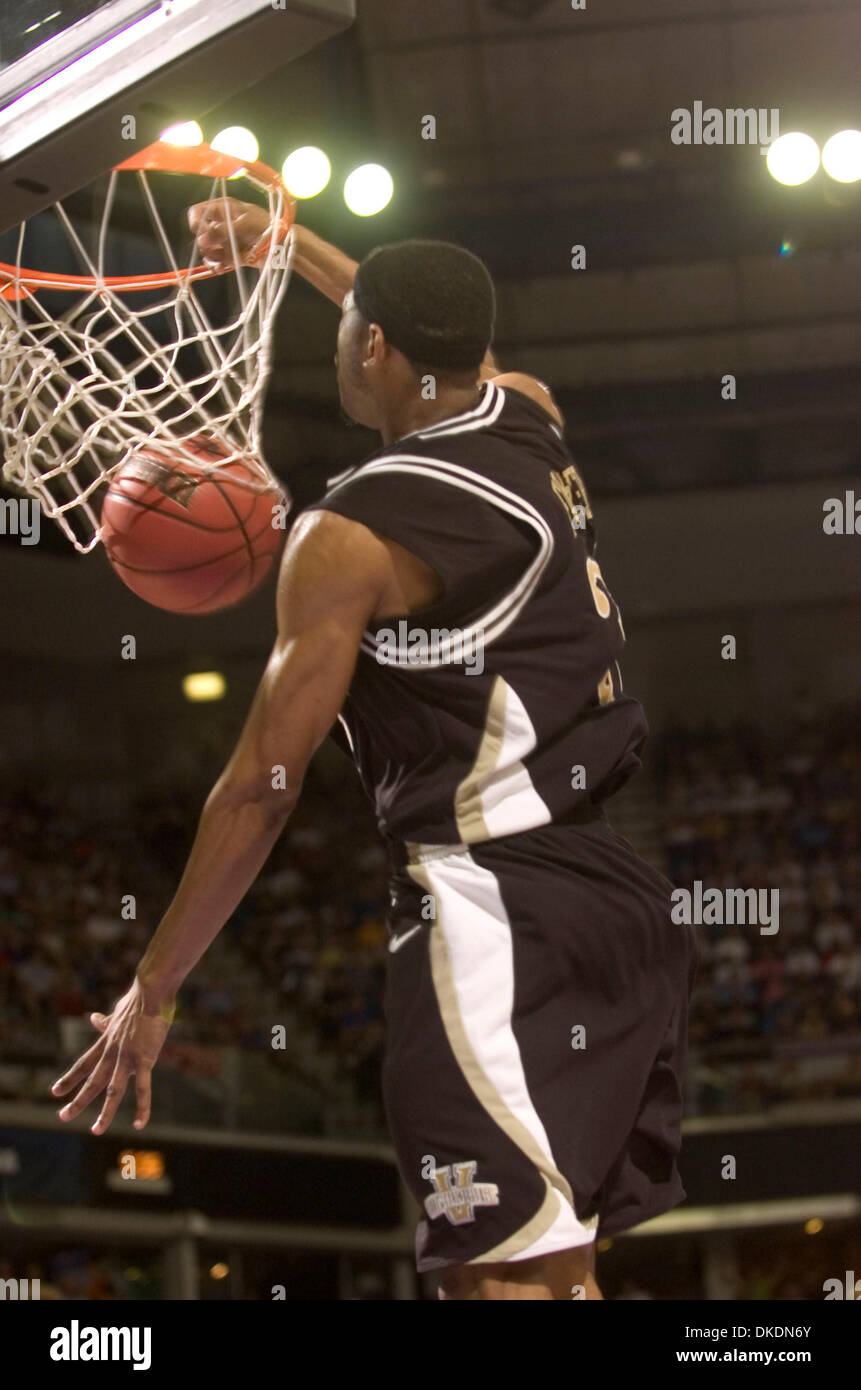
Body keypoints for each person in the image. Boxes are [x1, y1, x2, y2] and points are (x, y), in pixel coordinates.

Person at [50, 203, 698, 1300]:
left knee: (498, 1284)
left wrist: (154, 989)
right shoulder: (528, 418)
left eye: (352, 322)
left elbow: (262, 785)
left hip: (495, 906)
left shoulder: (350, 533)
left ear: (373, 348)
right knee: (556, 1270)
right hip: (614, 901)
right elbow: (444, 334)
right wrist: (290, 246)